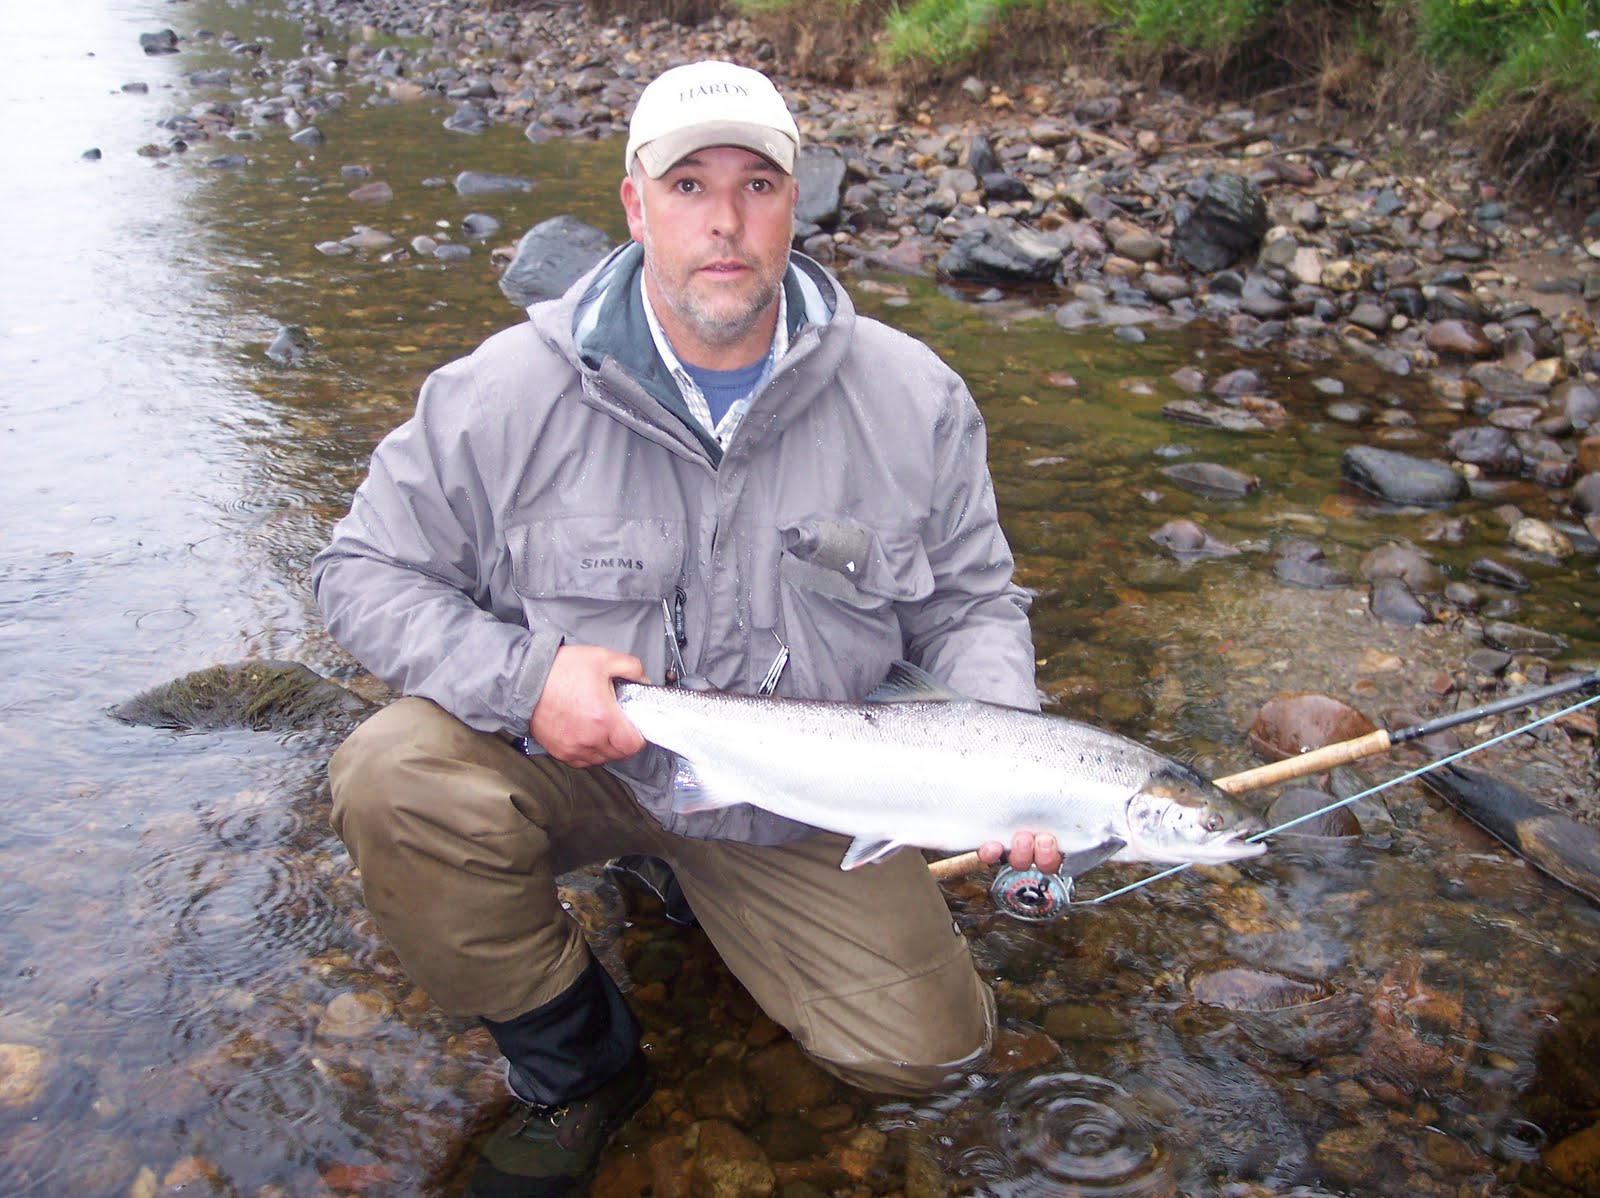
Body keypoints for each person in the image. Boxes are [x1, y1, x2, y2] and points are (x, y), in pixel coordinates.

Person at [313, 58, 1059, 1198]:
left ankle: (686, 886)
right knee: (393, 777)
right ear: (633, 202)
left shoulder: (914, 399)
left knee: (927, 1055)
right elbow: (362, 571)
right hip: (578, 756)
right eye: (690, 185)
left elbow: (967, 606)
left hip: (803, 798)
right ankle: (582, 1065)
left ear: (795, 202)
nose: (725, 221)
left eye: (758, 184)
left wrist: (1014, 764)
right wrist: (525, 678)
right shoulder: (503, 393)